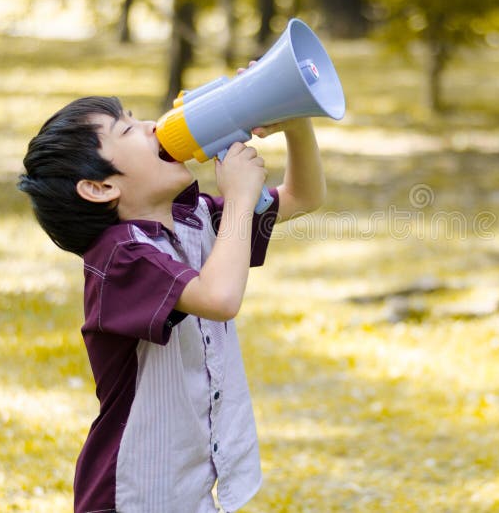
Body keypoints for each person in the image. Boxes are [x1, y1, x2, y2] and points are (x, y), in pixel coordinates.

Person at [18, 90, 326, 513]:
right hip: (132, 495)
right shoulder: (119, 256)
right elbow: (218, 298)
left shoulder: (193, 215)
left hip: (188, 489)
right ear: (100, 187)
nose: (152, 127)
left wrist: (294, 120)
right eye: (128, 128)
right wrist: (238, 198)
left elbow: (304, 197)